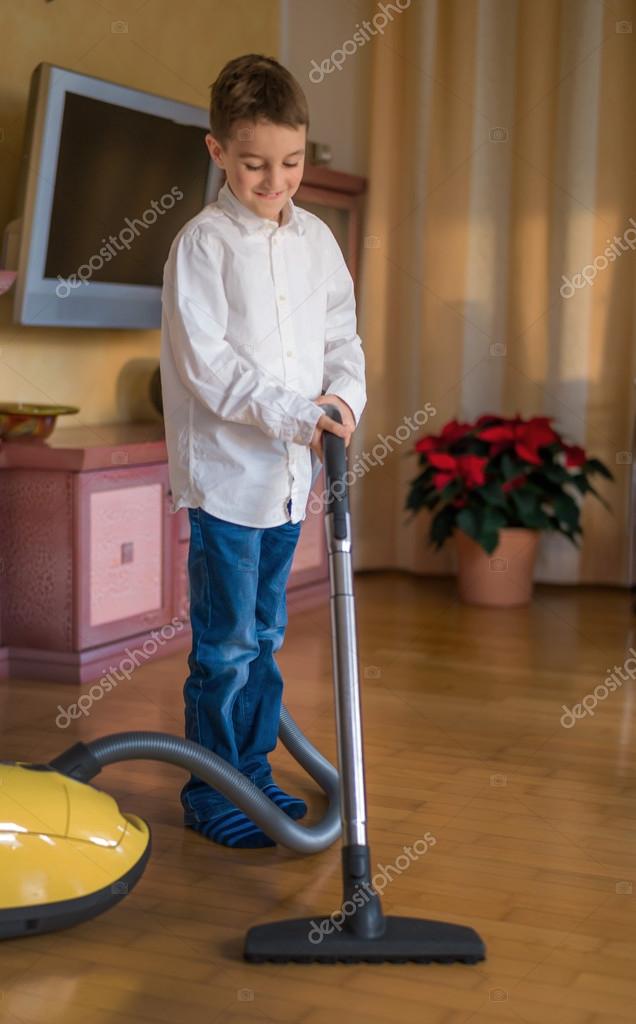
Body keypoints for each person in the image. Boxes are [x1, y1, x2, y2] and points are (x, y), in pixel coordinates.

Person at [159, 53, 367, 848]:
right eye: (255, 164)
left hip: (289, 483)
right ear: (217, 152)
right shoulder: (203, 247)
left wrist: (341, 400)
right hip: (226, 485)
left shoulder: (316, 241)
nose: (275, 179)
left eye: (291, 161)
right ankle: (216, 795)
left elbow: (342, 335)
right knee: (226, 647)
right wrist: (294, 413)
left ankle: (255, 773)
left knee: (267, 639)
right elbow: (208, 368)